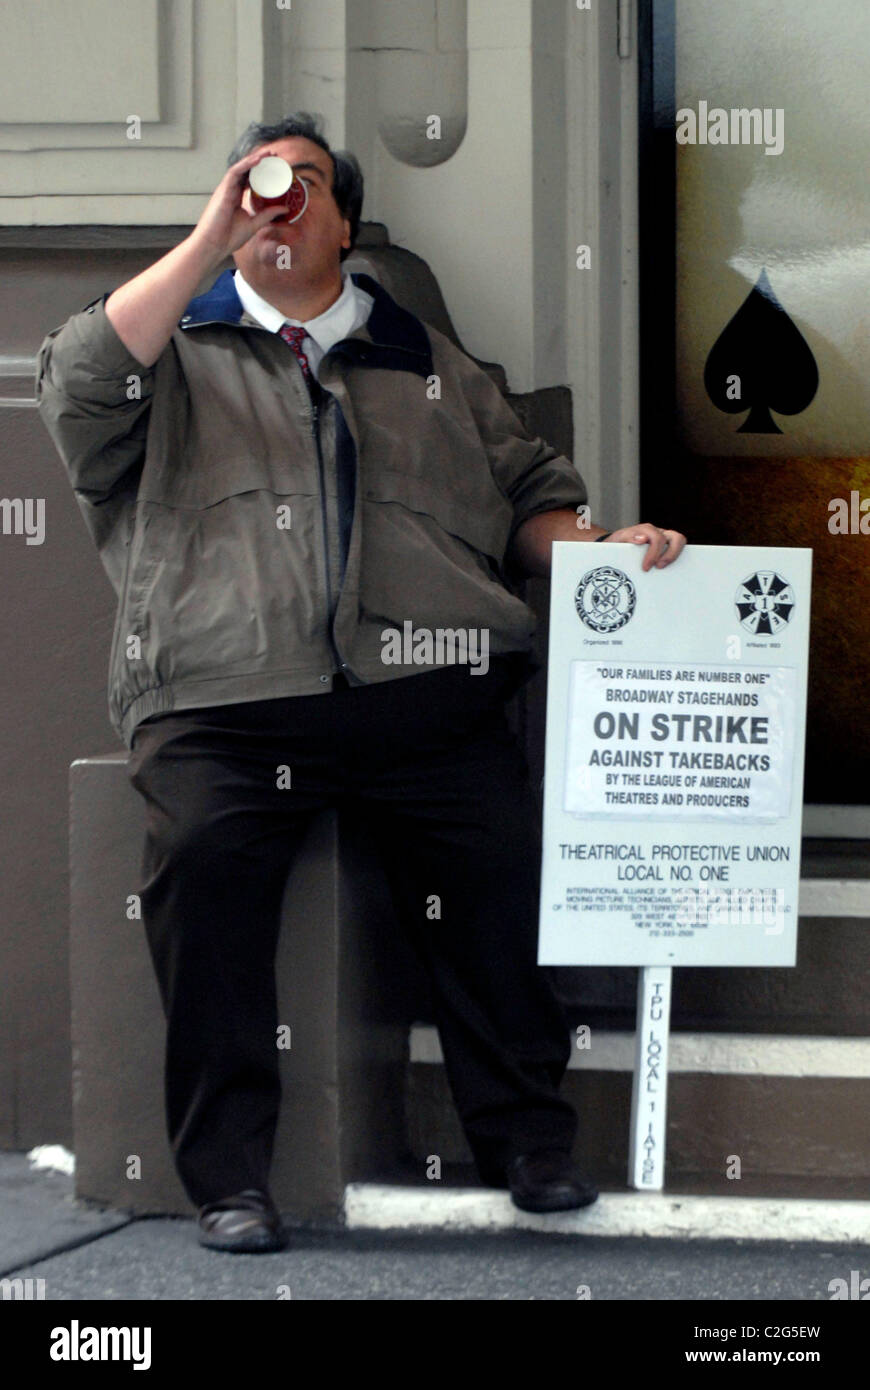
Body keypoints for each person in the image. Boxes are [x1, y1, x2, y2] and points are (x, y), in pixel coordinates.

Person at [37, 112, 686, 1254]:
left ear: (347, 217)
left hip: (421, 687)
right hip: (224, 701)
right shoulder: (167, 350)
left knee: (491, 861)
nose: (277, 206)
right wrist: (210, 233)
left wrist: (594, 547)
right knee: (202, 873)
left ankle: (528, 1143)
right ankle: (230, 1178)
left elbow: (528, 492)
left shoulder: (428, 360)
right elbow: (79, 386)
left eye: (305, 189)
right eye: (254, 187)